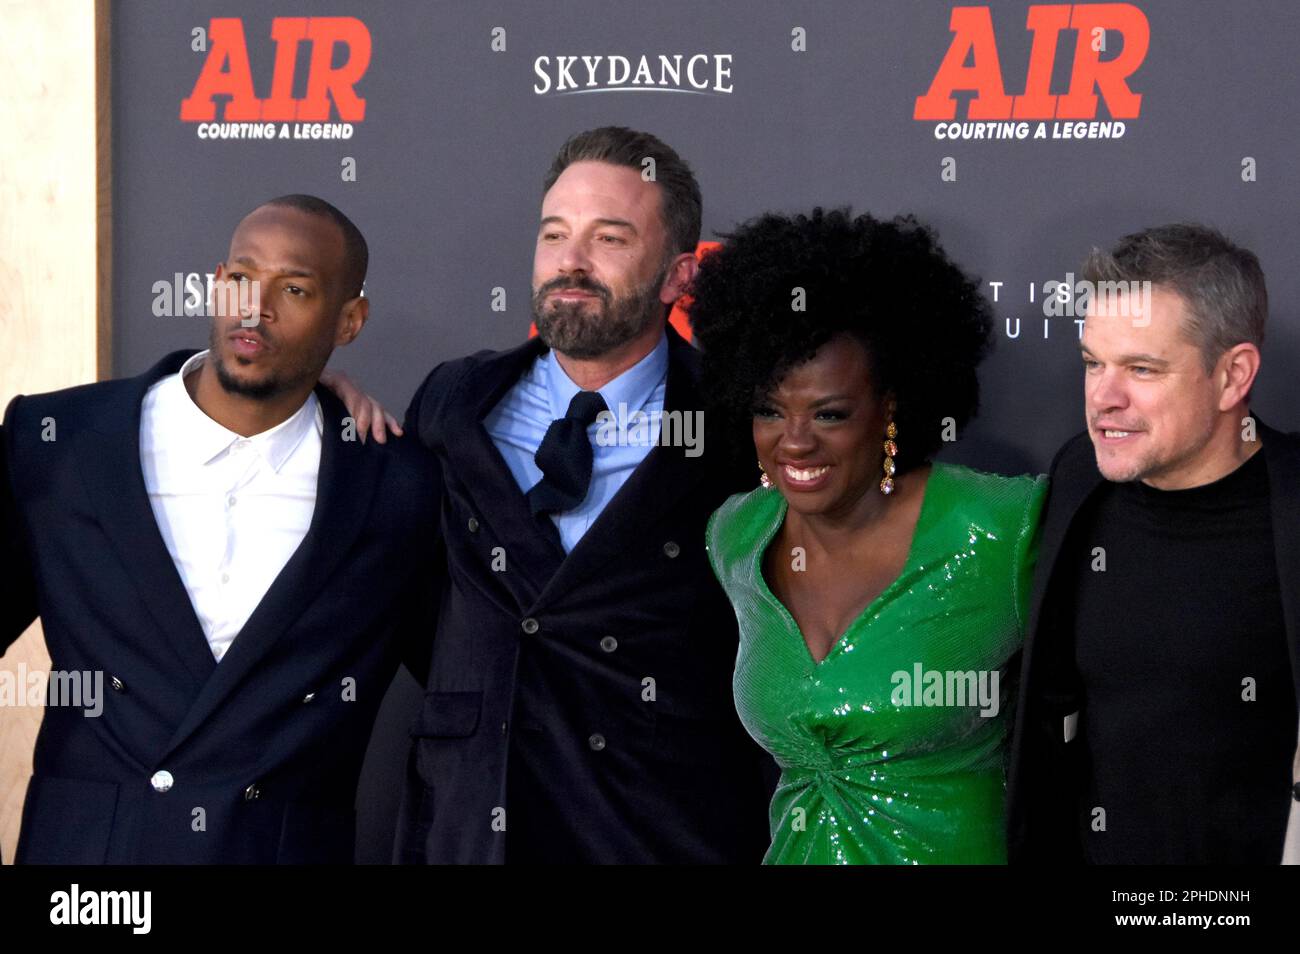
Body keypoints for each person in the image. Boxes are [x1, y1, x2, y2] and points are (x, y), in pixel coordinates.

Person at [335, 127, 775, 863]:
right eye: (553, 235)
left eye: (609, 238)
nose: (570, 262)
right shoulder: (455, 399)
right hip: (469, 827)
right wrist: (316, 394)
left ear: (678, 276)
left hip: (662, 832)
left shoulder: (739, 423)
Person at [0, 195, 440, 863]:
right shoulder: (57, 443)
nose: (254, 308)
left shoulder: (396, 486)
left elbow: (475, 686)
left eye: (294, 289)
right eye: (241, 277)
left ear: (349, 320)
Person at [690, 207, 1046, 863]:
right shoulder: (736, 536)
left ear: (892, 406)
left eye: (829, 413)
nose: (794, 441)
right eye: (770, 409)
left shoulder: (1001, 530)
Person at [1006, 223, 1300, 864]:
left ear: (1233, 376)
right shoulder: (1079, 475)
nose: (1102, 399)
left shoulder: (1291, 508)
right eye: (1092, 363)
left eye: (1142, 368)